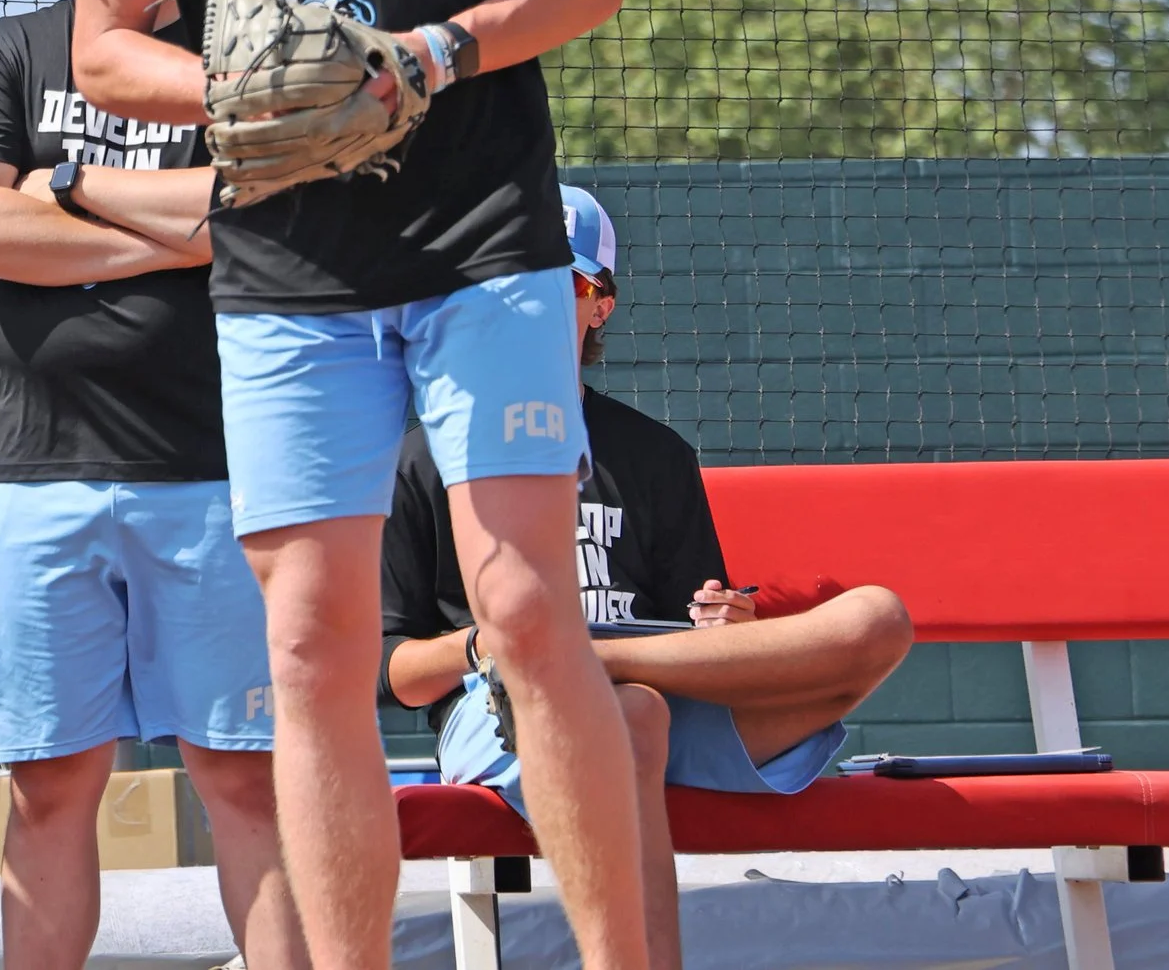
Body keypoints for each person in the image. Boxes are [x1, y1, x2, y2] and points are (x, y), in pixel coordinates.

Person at [62, 0, 642, 969]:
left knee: (525, 613)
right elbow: (108, 49)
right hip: (288, 267)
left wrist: (439, 49)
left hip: (481, 242)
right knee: (312, 647)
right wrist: (253, 93)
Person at [0, 0, 307, 970]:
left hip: (215, 477)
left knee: (245, 784)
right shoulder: (4, 52)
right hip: (34, 484)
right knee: (49, 793)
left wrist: (70, 187)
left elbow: (252, 210)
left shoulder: (241, 60)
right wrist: (169, 228)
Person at [381, 184, 915, 970]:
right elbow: (386, 671)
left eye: (557, 284)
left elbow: (690, 637)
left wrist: (732, 626)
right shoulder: (428, 453)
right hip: (503, 709)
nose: (528, 305)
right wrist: (485, 645)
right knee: (628, 716)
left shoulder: (655, 454)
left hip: (647, 692)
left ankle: (582, 654)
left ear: (599, 306)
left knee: (880, 618)